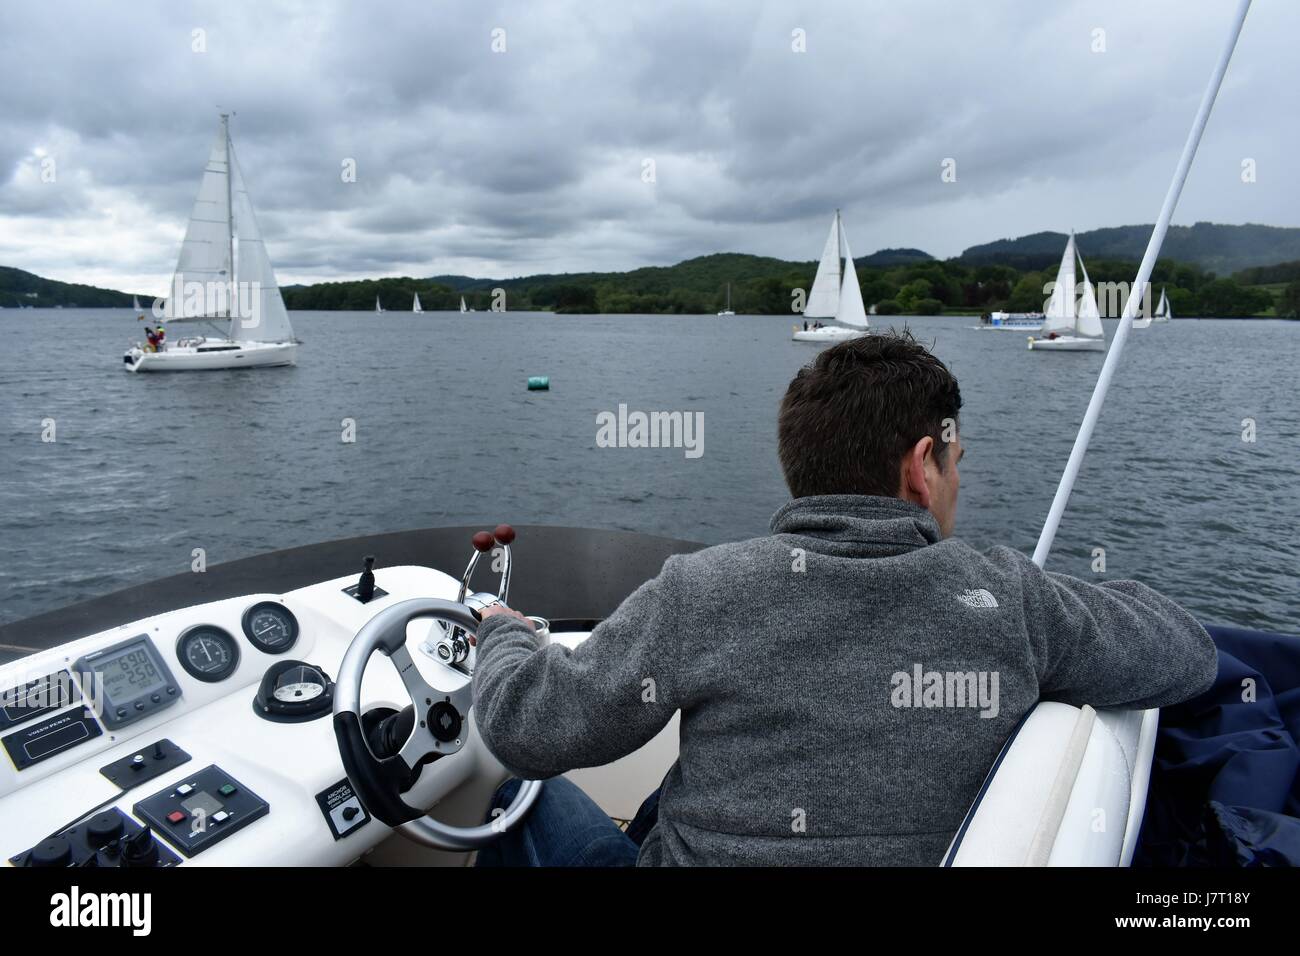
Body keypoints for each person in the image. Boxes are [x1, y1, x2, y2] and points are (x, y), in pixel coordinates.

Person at [471, 330, 1217, 866]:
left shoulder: (703, 592)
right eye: (958, 460)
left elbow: (527, 730)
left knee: (518, 800)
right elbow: (1186, 653)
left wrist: (504, 635)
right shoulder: (1009, 597)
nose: (961, 479)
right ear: (923, 466)